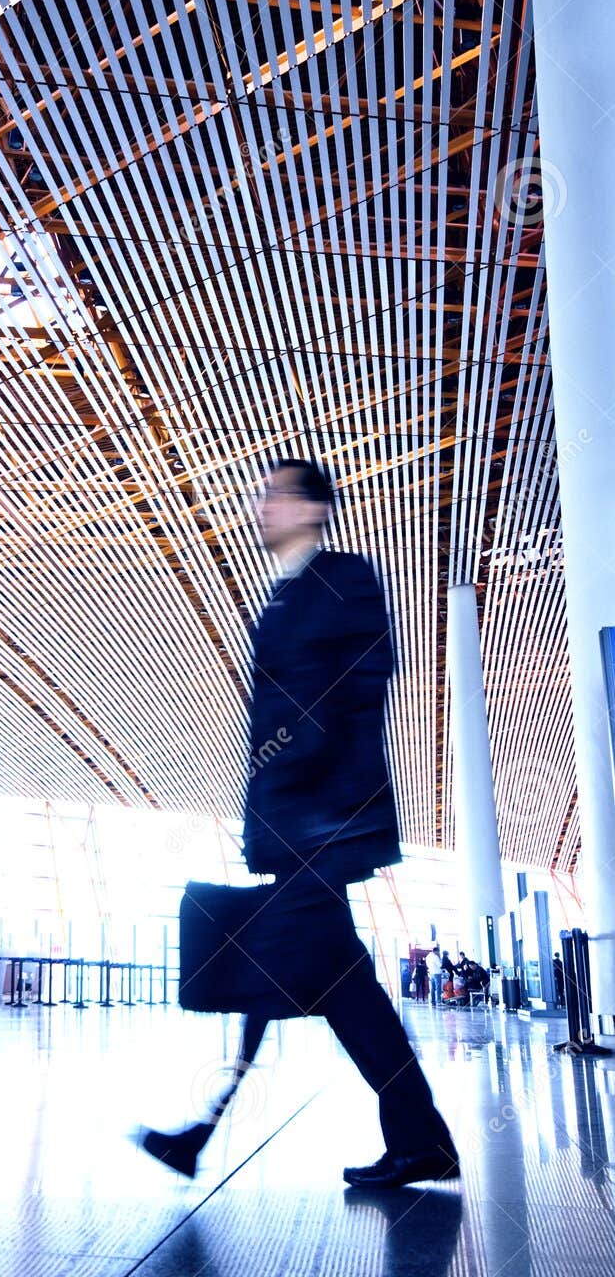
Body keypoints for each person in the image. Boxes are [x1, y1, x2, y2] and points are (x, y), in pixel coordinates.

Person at [139, 458, 458, 1189]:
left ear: (314, 508)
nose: (262, 507)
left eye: (276, 495)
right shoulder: (279, 601)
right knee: (340, 984)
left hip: (326, 819)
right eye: (263, 496)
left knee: (274, 959)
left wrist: (310, 785)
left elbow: (365, 678)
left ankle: (204, 1130)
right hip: (297, 821)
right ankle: (419, 1139)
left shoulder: (344, 579)